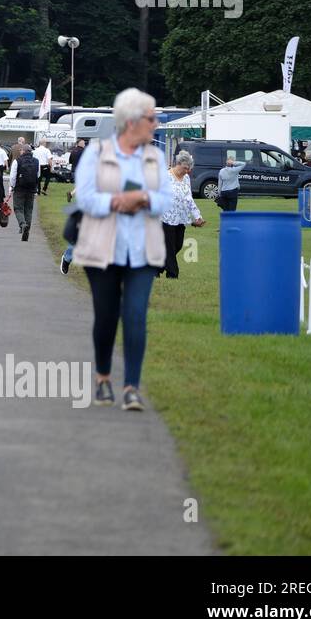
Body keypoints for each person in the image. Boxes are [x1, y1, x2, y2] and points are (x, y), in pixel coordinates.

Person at [73, 88, 173, 412]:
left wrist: (143, 199)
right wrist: (117, 201)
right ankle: (103, 378)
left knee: (135, 316)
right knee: (106, 316)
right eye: (151, 118)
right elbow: (85, 198)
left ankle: (131, 386)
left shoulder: (155, 157)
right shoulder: (98, 153)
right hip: (103, 248)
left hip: (143, 250)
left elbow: (166, 201)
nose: (155, 124)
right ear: (132, 122)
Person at [161, 150, 205, 278]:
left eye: (189, 168)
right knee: (169, 247)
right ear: (178, 164)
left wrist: (197, 216)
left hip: (181, 218)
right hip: (166, 217)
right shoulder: (165, 176)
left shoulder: (186, 178)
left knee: (178, 245)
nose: (187, 171)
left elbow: (189, 198)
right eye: (185, 168)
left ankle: (156, 267)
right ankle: (172, 274)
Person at [7, 143, 40, 241]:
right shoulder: (36, 161)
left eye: (21, 150)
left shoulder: (17, 161)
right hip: (31, 189)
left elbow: (13, 176)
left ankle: (22, 224)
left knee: (18, 208)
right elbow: (38, 175)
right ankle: (27, 229)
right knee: (29, 209)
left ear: (23, 151)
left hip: (19, 189)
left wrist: (11, 186)